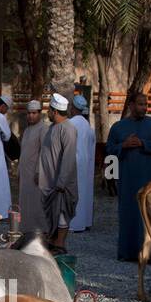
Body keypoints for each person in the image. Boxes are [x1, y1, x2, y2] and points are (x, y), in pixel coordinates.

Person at [105, 90, 151, 260]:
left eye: (145, 104)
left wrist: (142, 143)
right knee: (129, 214)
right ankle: (128, 253)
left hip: (149, 179)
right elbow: (109, 151)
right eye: (140, 104)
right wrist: (123, 145)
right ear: (131, 105)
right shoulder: (118, 127)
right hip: (128, 180)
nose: (143, 108)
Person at [38, 93, 78, 250]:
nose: (47, 113)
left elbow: (68, 158)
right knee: (52, 214)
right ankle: (53, 241)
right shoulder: (52, 128)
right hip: (49, 182)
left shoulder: (68, 129)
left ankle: (60, 244)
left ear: (54, 111)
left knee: (61, 213)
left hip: (61, 184)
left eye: (49, 110)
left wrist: (61, 182)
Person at [18, 98, 48, 233]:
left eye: (34, 113)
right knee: (25, 202)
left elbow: (44, 152)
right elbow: (23, 152)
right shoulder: (27, 130)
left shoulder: (43, 129)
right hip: (25, 173)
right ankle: (26, 228)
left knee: (36, 202)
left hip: (36, 174)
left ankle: (40, 229)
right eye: (29, 113)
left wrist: (39, 171)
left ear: (40, 113)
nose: (31, 116)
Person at [69, 92, 96, 230]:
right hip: (86, 164)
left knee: (72, 193)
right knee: (84, 192)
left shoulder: (70, 123)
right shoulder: (87, 126)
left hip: (72, 163)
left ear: (73, 108)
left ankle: (72, 224)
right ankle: (84, 222)